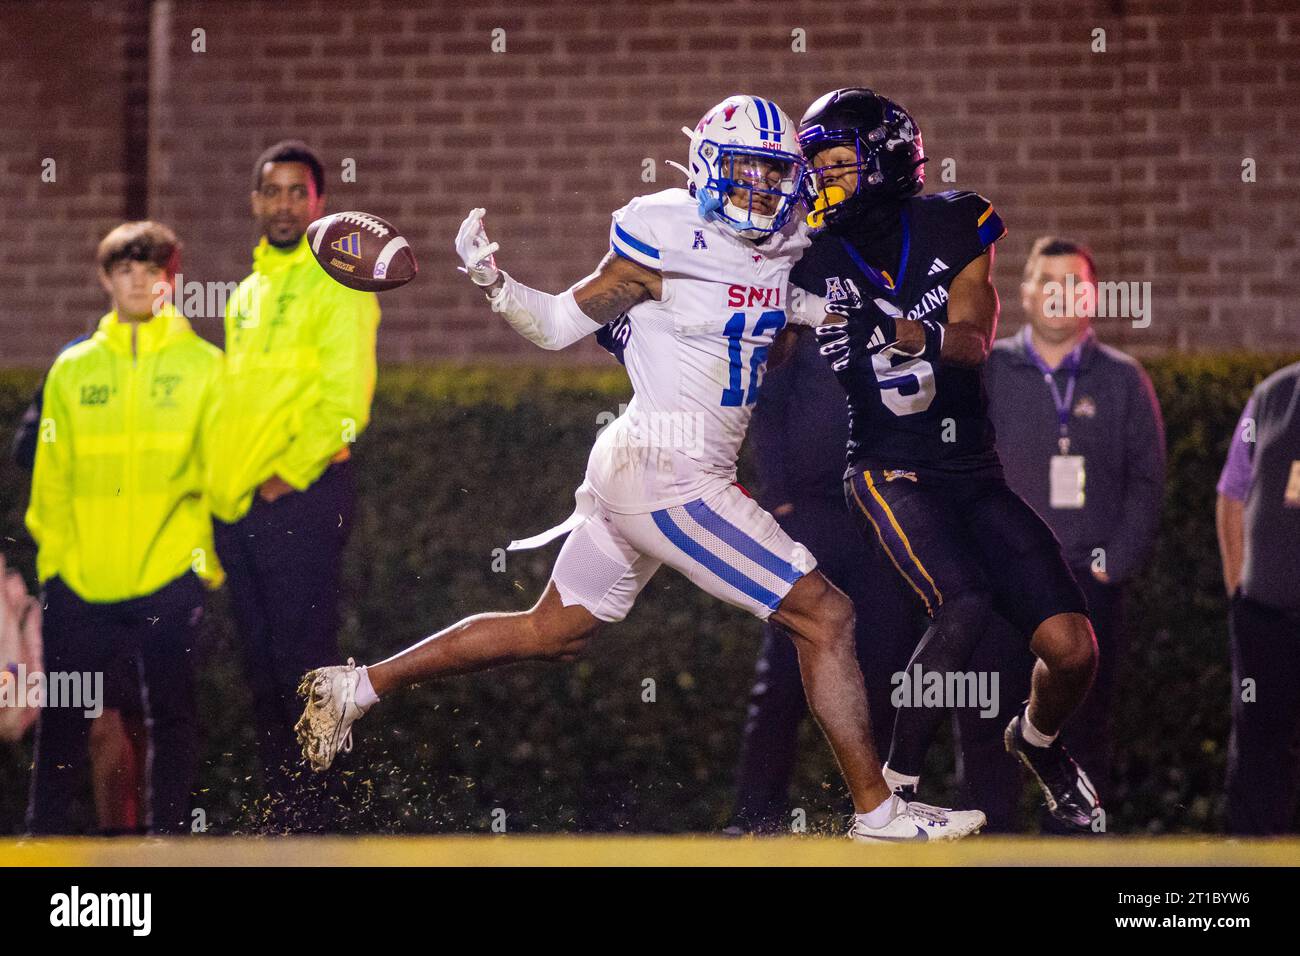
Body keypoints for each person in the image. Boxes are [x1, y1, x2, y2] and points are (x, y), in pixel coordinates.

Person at [295, 95, 984, 842]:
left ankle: (357, 687)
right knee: (827, 615)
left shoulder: (790, 241)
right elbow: (559, 325)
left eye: (773, 174)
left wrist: (808, 317)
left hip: (653, 464)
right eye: (744, 172)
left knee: (552, 630)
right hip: (669, 468)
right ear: (705, 168)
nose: (759, 190)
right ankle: (878, 814)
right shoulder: (664, 234)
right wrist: (495, 283)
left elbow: (764, 335)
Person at [789, 87, 1101, 831]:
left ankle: (1037, 739)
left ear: (886, 161)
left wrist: (899, 330)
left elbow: (971, 340)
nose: (823, 181)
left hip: (973, 470)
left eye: (838, 164)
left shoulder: (953, 224)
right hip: (884, 466)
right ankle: (893, 792)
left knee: (1074, 650)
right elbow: (753, 342)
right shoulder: (806, 254)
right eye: (817, 167)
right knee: (960, 599)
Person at [959, 236, 1165, 832]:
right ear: (1023, 293)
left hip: (1084, 582)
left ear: (1092, 295)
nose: (1059, 294)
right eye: (1046, 282)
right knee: (982, 720)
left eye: (1073, 283)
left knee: (1082, 723)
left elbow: (1147, 482)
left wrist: (1114, 563)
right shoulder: (988, 369)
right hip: (999, 581)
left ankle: (1076, 842)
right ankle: (988, 834)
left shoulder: (1124, 379)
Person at [25, 221, 222, 834]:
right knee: (63, 717)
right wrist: (54, 562)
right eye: (125, 269)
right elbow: (51, 476)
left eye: (153, 270)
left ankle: (167, 844)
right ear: (105, 278)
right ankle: (44, 837)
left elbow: (219, 471)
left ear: (172, 280)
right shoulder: (73, 370)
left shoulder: (205, 366)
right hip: (82, 577)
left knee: (172, 716)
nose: (139, 281)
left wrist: (202, 566)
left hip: (169, 571)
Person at [209, 140, 381, 826]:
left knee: (307, 670)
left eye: (296, 192)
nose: (283, 204)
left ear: (319, 202)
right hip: (242, 509)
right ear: (255, 202)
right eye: (271, 191)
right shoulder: (247, 294)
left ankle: (323, 817)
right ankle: (284, 813)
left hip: (302, 500)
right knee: (261, 669)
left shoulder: (338, 279)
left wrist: (285, 479)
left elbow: (347, 400)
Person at [726, 329, 925, 833]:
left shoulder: (901, 308)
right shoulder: (804, 305)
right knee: (784, 678)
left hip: (881, 514)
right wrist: (780, 499)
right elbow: (764, 404)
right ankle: (753, 820)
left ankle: (878, 818)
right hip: (810, 518)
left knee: (884, 672)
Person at [11, 349, 149, 834]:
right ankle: (55, 834)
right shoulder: (76, 365)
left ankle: (126, 842)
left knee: (121, 718)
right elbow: (29, 447)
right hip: (82, 575)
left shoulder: (179, 366)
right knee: (87, 713)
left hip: (151, 572)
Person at [1217, 359, 1300, 835]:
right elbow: (1231, 495)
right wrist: (1239, 591)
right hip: (1264, 619)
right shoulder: (1271, 397)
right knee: (1257, 760)